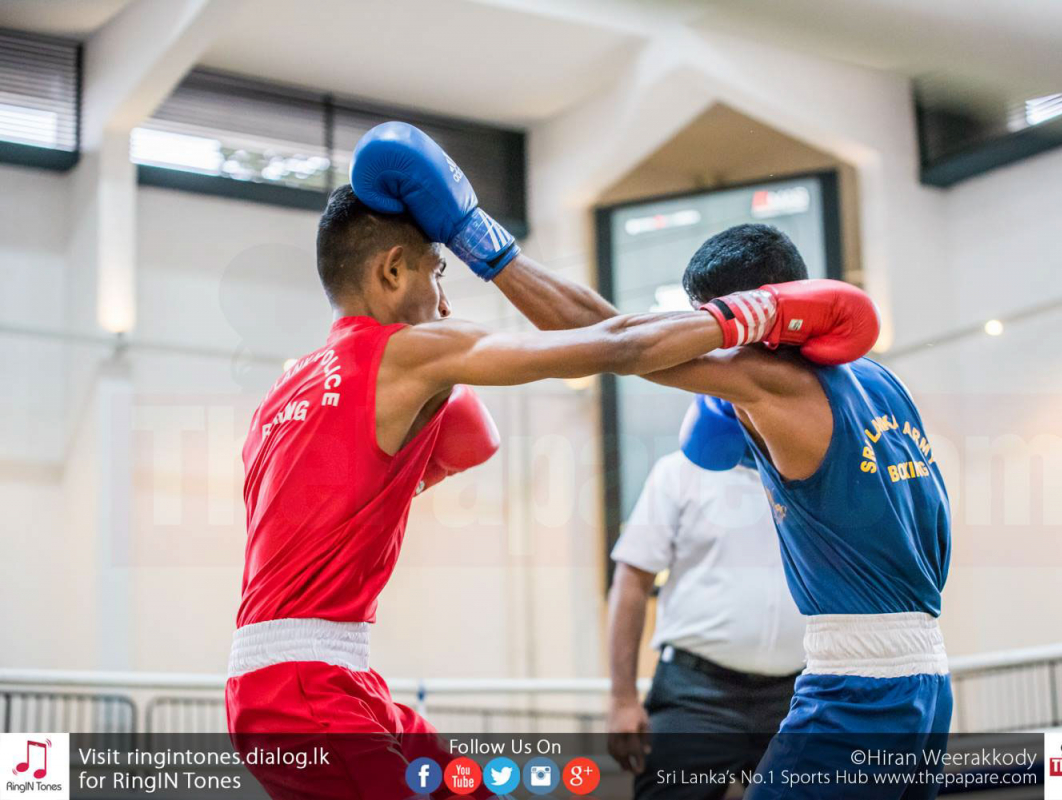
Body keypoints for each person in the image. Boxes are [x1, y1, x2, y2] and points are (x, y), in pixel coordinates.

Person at [224, 133, 874, 797]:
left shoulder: (288, 389)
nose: (444, 304)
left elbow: (346, 493)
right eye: (437, 273)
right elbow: (612, 343)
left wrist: (411, 457)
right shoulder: (408, 353)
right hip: (309, 694)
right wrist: (759, 314)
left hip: (307, 681)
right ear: (392, 272)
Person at [607, 397, 807, 800]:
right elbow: (632, 583)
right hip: (695, 695)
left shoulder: (810, 480)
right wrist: (622, 699)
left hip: (794, 695)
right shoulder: (678, 473)